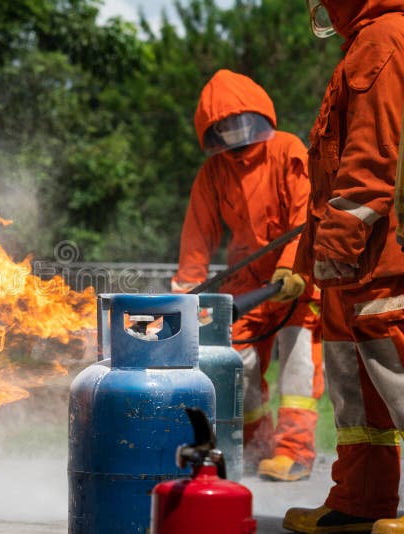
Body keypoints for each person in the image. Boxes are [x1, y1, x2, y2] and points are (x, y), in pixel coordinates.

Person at [282, 1, 404, 533]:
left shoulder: (384, 38)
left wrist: (337, 242)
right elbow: (328, 174)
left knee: (396, 375)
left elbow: (373, 157)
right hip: (351, 259)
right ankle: (359, 500)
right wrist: (310, 257)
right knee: (358, 391)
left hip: (377, 252)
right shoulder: (362, 42)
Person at [172, 69, 324, 482]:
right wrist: (186, 294)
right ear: (212, 132)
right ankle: (257, 447)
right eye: (226, 128)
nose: (237, 135)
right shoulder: (213, 173)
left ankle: (294, 452)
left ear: (260, 115)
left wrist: (291, 268)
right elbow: (197, 237)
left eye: (242, 123)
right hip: (246, 286)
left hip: (295, 278)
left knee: (298, 367)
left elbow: (305, 216)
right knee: (236, 365)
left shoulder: (288, 150)